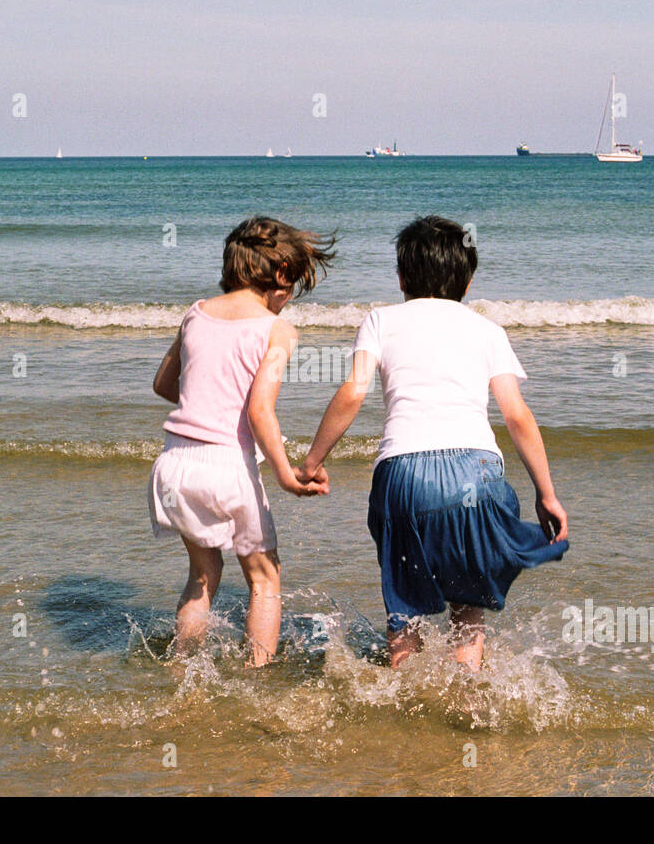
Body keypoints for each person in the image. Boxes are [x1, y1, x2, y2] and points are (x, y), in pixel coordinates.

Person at [300, 215, 568, 670]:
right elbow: (516, 415)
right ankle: (466, 694)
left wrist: (311, 461)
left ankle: (404, 703)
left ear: (402, 277)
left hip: (403, 475)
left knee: (404, 608)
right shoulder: (487, 331)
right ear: (468, 282)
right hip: (476, 473)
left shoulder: (381, 320)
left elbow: (353, 392)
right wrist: (547, 493)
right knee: (468, 601)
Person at [149, 216, 334, 666]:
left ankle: (184, 671)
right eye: (293, 289)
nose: (289, 302)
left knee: (203, 575)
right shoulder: (276, 330)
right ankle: (258, 675)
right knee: (265, 578)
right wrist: (286, 474)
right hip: (227, 469)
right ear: (281, 275)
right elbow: (259, 411)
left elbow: (163, 384)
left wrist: (209, 396)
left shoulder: (195, 313)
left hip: (175, 465)